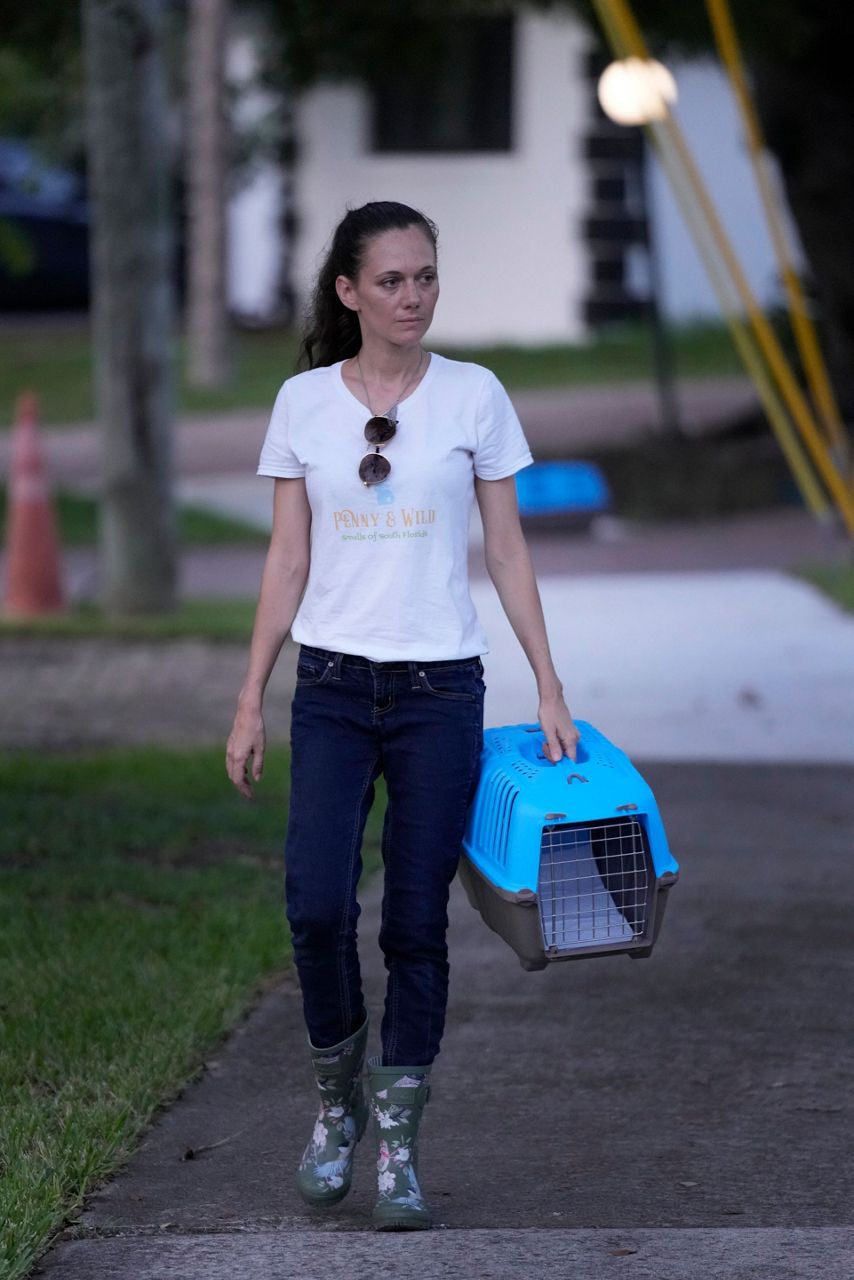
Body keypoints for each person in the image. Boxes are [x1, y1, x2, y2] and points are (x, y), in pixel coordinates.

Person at [226, 200, 579, 1231]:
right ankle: (335, 1101)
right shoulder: (301, 404)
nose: (412, 295)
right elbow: (287, 559)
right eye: (390, 280)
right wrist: (250, 695)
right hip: (333, 687)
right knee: (316, 905)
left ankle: (398, 1144)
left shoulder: (474, 396)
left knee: (413, 923)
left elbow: (507, 550)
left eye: (424, 276)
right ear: (348, 291)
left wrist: (547, 684)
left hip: (439, 693)